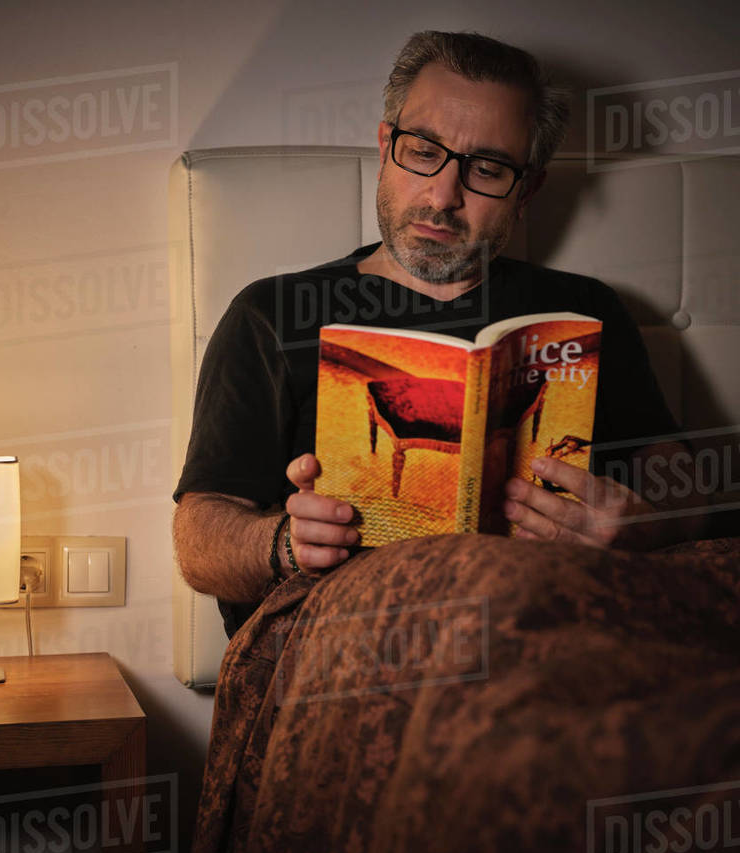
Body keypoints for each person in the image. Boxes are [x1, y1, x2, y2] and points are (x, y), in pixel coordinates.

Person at [173, 31, 705, 638]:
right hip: (361, 635)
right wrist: (282, 542)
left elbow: (679, 478)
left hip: (560, 620)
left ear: (527, 188)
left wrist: (647, 524)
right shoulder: (274, 312)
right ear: (385, 145)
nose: (444, 195)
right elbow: (199, 538)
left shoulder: (584, 309)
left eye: (487, 168)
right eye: (424, 151)